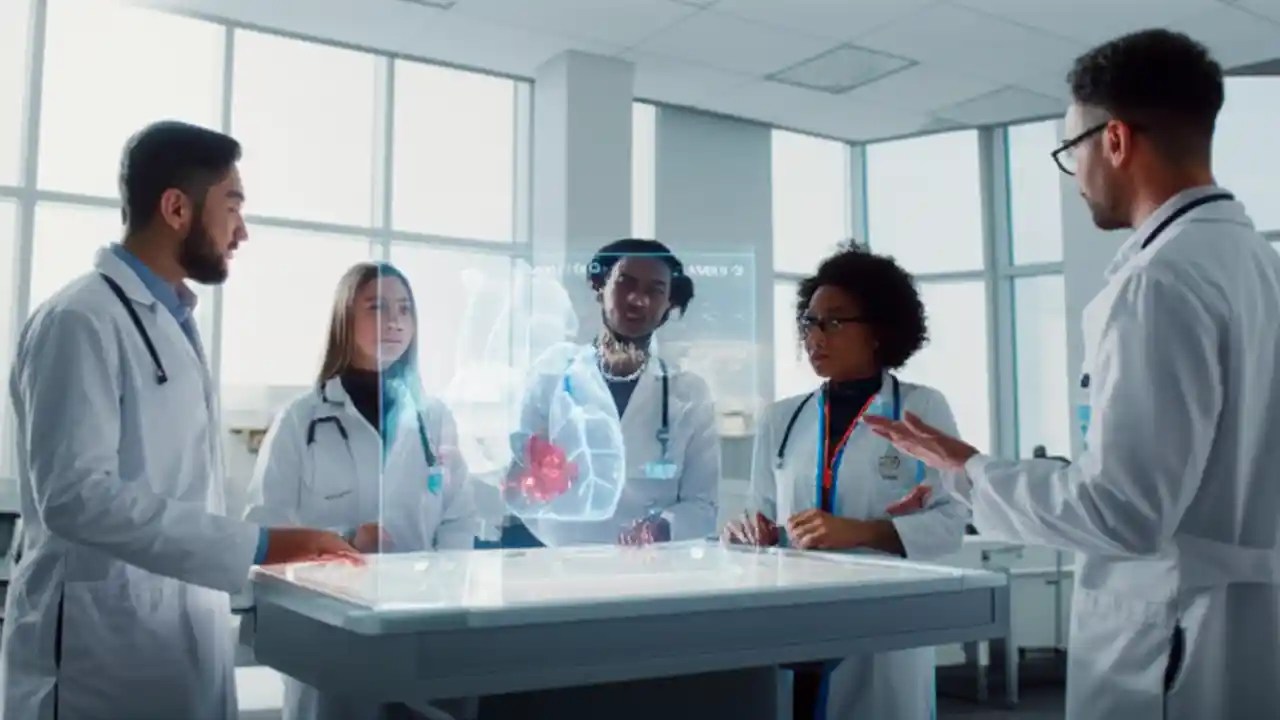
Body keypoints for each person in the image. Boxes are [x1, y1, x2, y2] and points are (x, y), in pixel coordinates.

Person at [867, 29, 1280, 720]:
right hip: (1245, 637)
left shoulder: (1159, 283)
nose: (1077, 175)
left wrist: (970, 470)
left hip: (1172, 649)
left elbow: (1125, 514)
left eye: (1071, 151)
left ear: (1113, 140)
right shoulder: (1257, 267)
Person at [1, 121, 357, 720]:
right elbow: (74, 497)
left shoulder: (169, 320)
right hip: (98, 656)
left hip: (175, 637)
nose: (242, 230)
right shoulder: (79, 320)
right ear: (175, 208)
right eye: (232, 206)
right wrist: (263, 544)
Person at [722, 244, 966, 720]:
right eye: (809, 322)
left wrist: (861, 531)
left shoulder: (921, 409)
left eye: (834, 321)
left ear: (878, 330)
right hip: (794, 616)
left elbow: (952, 522)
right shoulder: (781, 418)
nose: (815, 336)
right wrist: (747, 533)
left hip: (883, 622)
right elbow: (761, 514)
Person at [245, 261, 477, 720]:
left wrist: (445, 586)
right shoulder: (301, 419)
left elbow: (459, 516)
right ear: (344, 320)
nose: (394, 321)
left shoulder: (434, 418)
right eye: (377, 307)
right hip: (329, 631)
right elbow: (262, 528)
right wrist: (346, 541)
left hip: (420, 624)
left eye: (405, 309)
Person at [503, 239, 719, 547]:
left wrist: (662, 527)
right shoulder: (550, 376)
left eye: (655, 290)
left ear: (669, 304)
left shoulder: (690, 393)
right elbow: (515, 487)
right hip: (559, 562)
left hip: (651, 569)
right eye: (624, 284)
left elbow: (703, 507)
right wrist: (539, 481)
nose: (638, 299)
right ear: (599, 286)